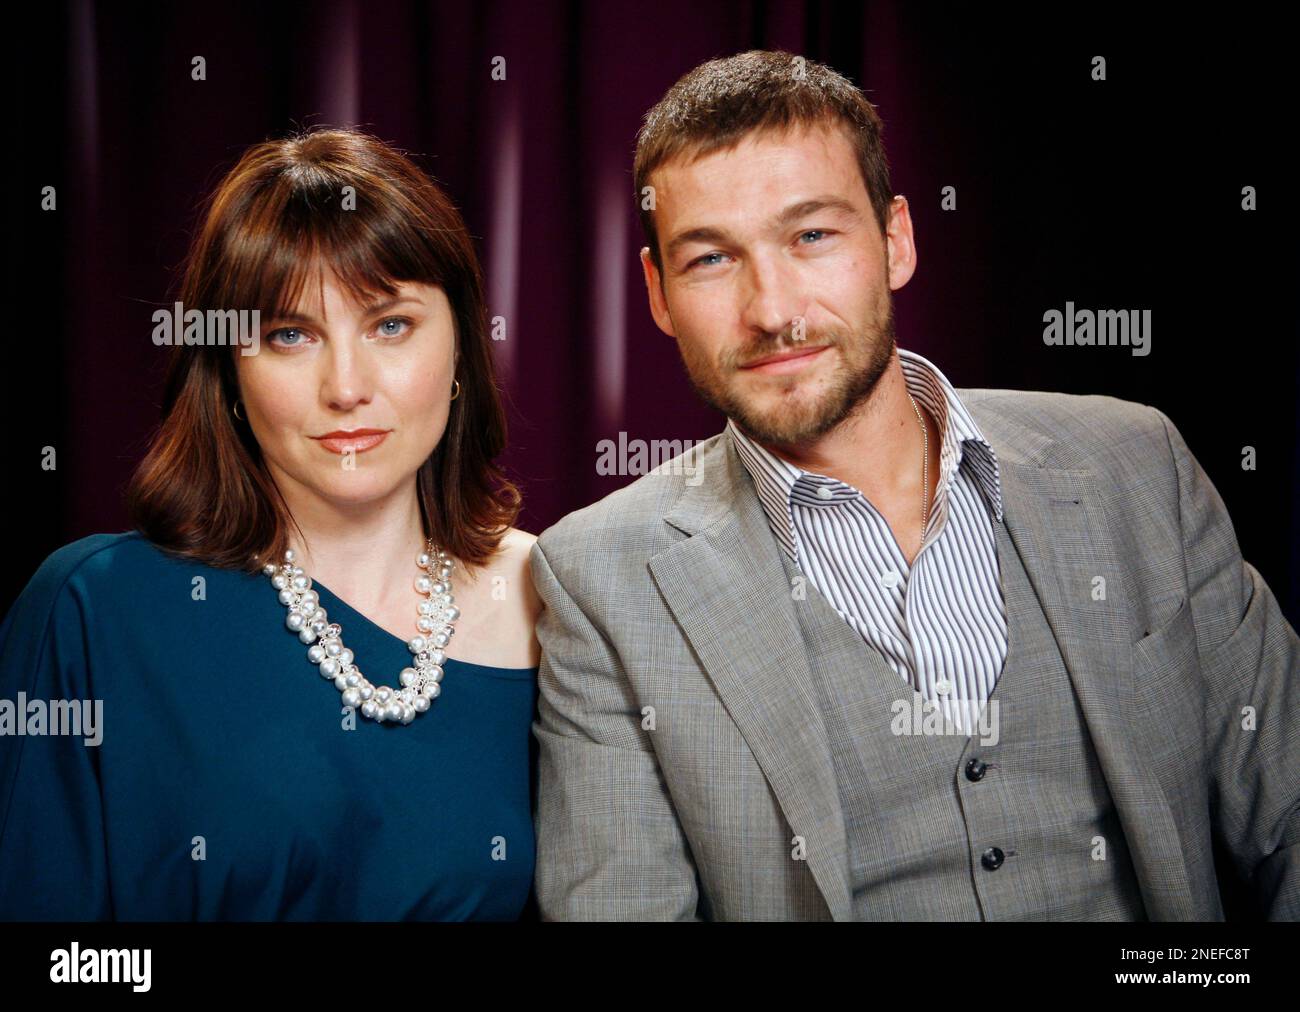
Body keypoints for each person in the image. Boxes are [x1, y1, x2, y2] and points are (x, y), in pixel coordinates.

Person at [530, 50, 1300, 920]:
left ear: (896, 239)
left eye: (812, 235)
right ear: (658, 294)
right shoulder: (600, 575)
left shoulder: (1133, 463)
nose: (773, 308)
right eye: (710, 259)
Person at [0, 128, 541, 920]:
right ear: (225, 371)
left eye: (390, 324)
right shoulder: (95, 610)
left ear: (461, 347)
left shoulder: (555, 599)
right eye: (290, 335)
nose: (346, 386)